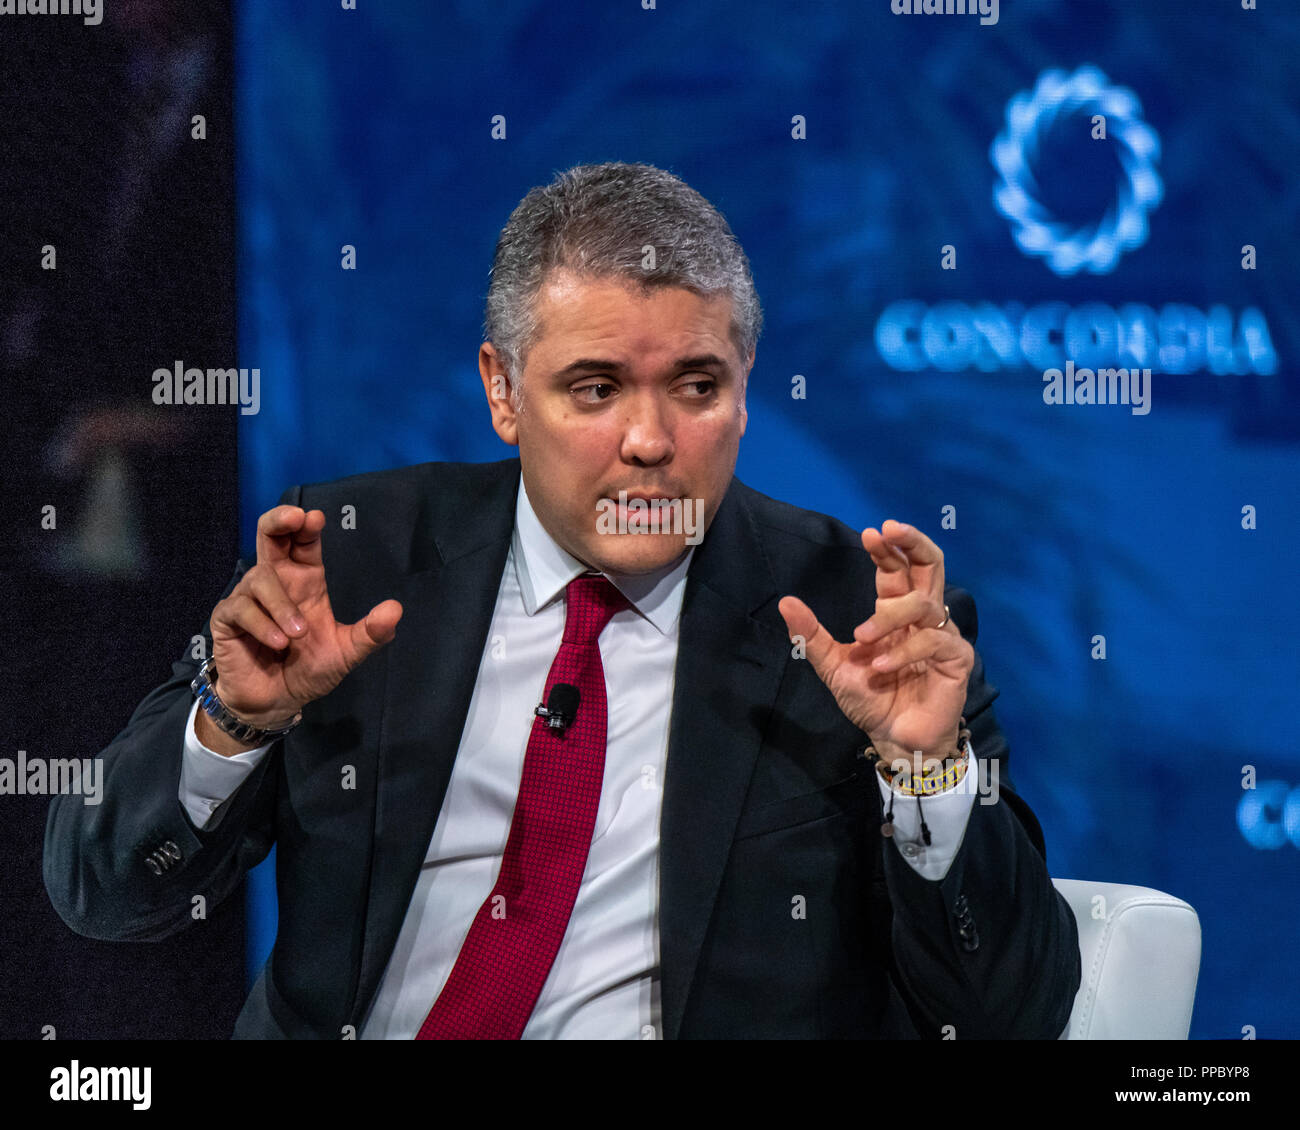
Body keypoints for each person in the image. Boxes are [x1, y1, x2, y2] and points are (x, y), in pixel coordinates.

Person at [44, 161, 1081, 1039]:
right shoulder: (353, 562)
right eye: (595, 388)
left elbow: (1013, 1010)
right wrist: (234, 723)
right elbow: (101, 889)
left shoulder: (859, 619)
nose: (648, 438)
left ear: (745, 387)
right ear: (502, 391)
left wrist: (926, 772)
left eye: (696, 385)